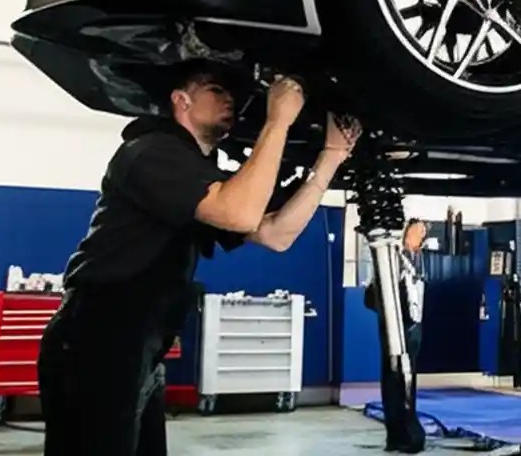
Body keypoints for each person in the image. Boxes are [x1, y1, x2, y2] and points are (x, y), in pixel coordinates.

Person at [36, 60, 361, 456]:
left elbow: (276, 233)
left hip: (138, 347)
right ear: (181, 100)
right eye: (215, 90)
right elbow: (238, 212)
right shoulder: (150, 150)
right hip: (97, 341)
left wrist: (330, 158)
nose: (230, 99)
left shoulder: (199, 173)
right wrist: (277, 122)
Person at [367, 217, 428, 453]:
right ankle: (399, 433)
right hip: (395, 329)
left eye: (422, 232)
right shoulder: (396, 259)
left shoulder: (419, 261)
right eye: (416, 231)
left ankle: (406, 429)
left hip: (413, 327)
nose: (419, 236)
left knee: (408, 381)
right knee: (395, 380)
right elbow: (374, 296)